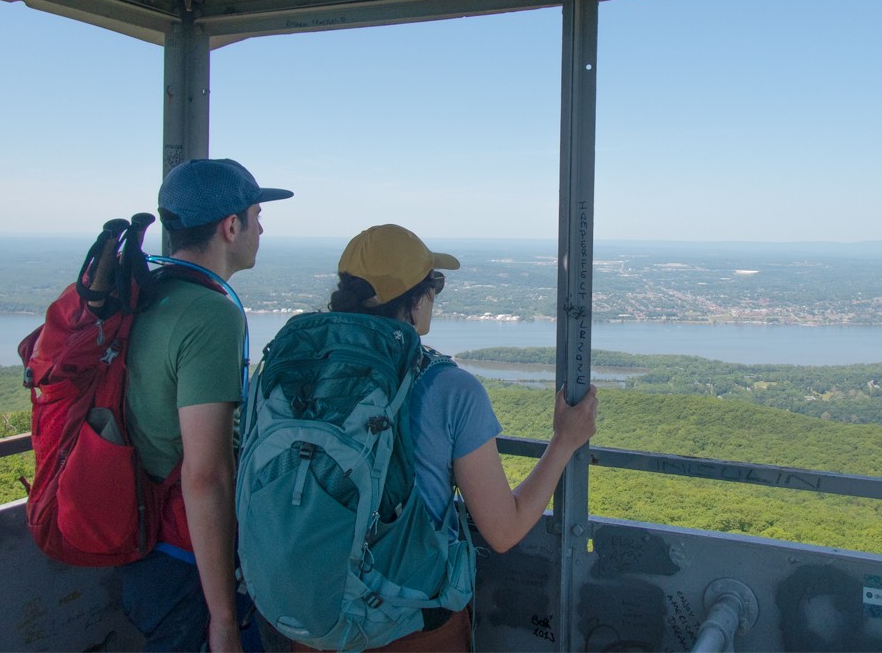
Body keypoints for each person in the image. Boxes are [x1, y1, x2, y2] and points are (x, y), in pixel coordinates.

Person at [309, 223, 598, 652]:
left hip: (309, 611)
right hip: (405, 622)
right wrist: (564, 443)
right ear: (415, 301)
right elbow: (504, 530)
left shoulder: (292, 371)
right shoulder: (449, 389)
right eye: (434, 287)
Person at [119, 158, 293, 652]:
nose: (262, 229)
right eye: (257, 216)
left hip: (146, 544)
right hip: (187, 560)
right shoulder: (210, 313)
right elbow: (206, 473)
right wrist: (222, 621)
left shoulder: (151, 293)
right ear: (231, 225)